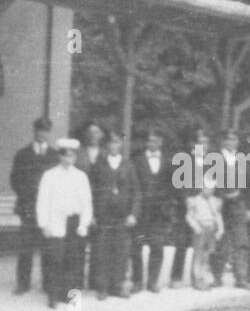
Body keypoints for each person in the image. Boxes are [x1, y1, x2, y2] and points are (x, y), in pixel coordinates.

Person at [34, 138, 92, 309]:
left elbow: (86, 202)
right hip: (56, 222)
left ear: (75, 157)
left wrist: (84, 223)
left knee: (74, 261)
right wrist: (43, 223)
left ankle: (72, 297)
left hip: (74, 221)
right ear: (60, 157)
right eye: (65, 156)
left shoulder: (81, 176)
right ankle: (53, 295)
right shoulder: (50, 175)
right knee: (55, 259)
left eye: (72, 156)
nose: (68, 160)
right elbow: (42, 201)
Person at [9, 117, 58, 294]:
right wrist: (28, 197)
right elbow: (15, 179)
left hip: (47, 210)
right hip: (28, 207)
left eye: (46, 131)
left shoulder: (54, 155)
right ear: (34, 132)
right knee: (26, 248)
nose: (42, 134)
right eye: (39, 130)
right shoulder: (22, 154)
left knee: (47, 248)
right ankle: (23, 284)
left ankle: (47, 284)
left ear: (49, 133)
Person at [90, 130, 141, 299]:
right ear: (107, 145)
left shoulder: (128, 165)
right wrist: (92, 214)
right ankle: (102, 287)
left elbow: (136, 192)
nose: (114, 146)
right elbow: (91, 191)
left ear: (121, 145)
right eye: (111, 142)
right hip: (104, 215)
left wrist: (133, 213)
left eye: (117, 142)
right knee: (102, 251)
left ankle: (117, 285)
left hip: (122, 216)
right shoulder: (99, 164)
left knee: (121, 251)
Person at [130, 128, 178, 293]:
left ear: (161, 142)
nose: (153, 143)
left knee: (157, 246)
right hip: (141, 210)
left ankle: (152, 282)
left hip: (159, 211)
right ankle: (137, 281)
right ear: (146, 142)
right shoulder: (136, 160)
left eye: (156, 140)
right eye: (150, 140)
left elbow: (173, 186)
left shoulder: (169, 161)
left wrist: (168, 206)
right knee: (136, 246)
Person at [210, 128, 250, 290]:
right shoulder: (213, 158)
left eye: (234, 139)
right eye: (228, 139)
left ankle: (241, 278)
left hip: (238, 205)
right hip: (219, 205)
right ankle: (217, 277)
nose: (231, 142)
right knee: (219, 241)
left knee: (241, 241)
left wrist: (249, 208)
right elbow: (209, 182)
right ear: (223, 141)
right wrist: (222, 195)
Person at [169, 125, 210, 288]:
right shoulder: (185, 162)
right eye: (200, 142)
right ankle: (176, 277)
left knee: (201, 245)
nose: (204, 146)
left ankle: (198, 277)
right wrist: (187, 200)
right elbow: (178, 185)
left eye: (206, 143)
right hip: (187, 208)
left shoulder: (212, 163)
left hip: (205, 209)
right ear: (193, 145)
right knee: (182, 243)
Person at [74, 120, 106, 291]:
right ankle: (77, 282)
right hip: (81, 205)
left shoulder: (107, 154)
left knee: (99, 247)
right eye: (90, 132)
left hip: (101, 206)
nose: (93, 136)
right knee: (79, 244)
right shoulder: (78, 154)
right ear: (86, 135)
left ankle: (95, 282)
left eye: (97, 132)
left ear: (101, 136)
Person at [185, 175, 224, 291]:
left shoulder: (215, 201)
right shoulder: (195, 201)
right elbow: (189, 217)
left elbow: (218, 216)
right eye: (207, 188)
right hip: (200, 229)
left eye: (212, 189)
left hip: (210, 229)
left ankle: (202, 276)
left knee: (206, 255)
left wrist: (220, 229)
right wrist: (196, 227)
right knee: (198, 254)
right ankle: (197, 278)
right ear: (201, 187)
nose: (210, 191)